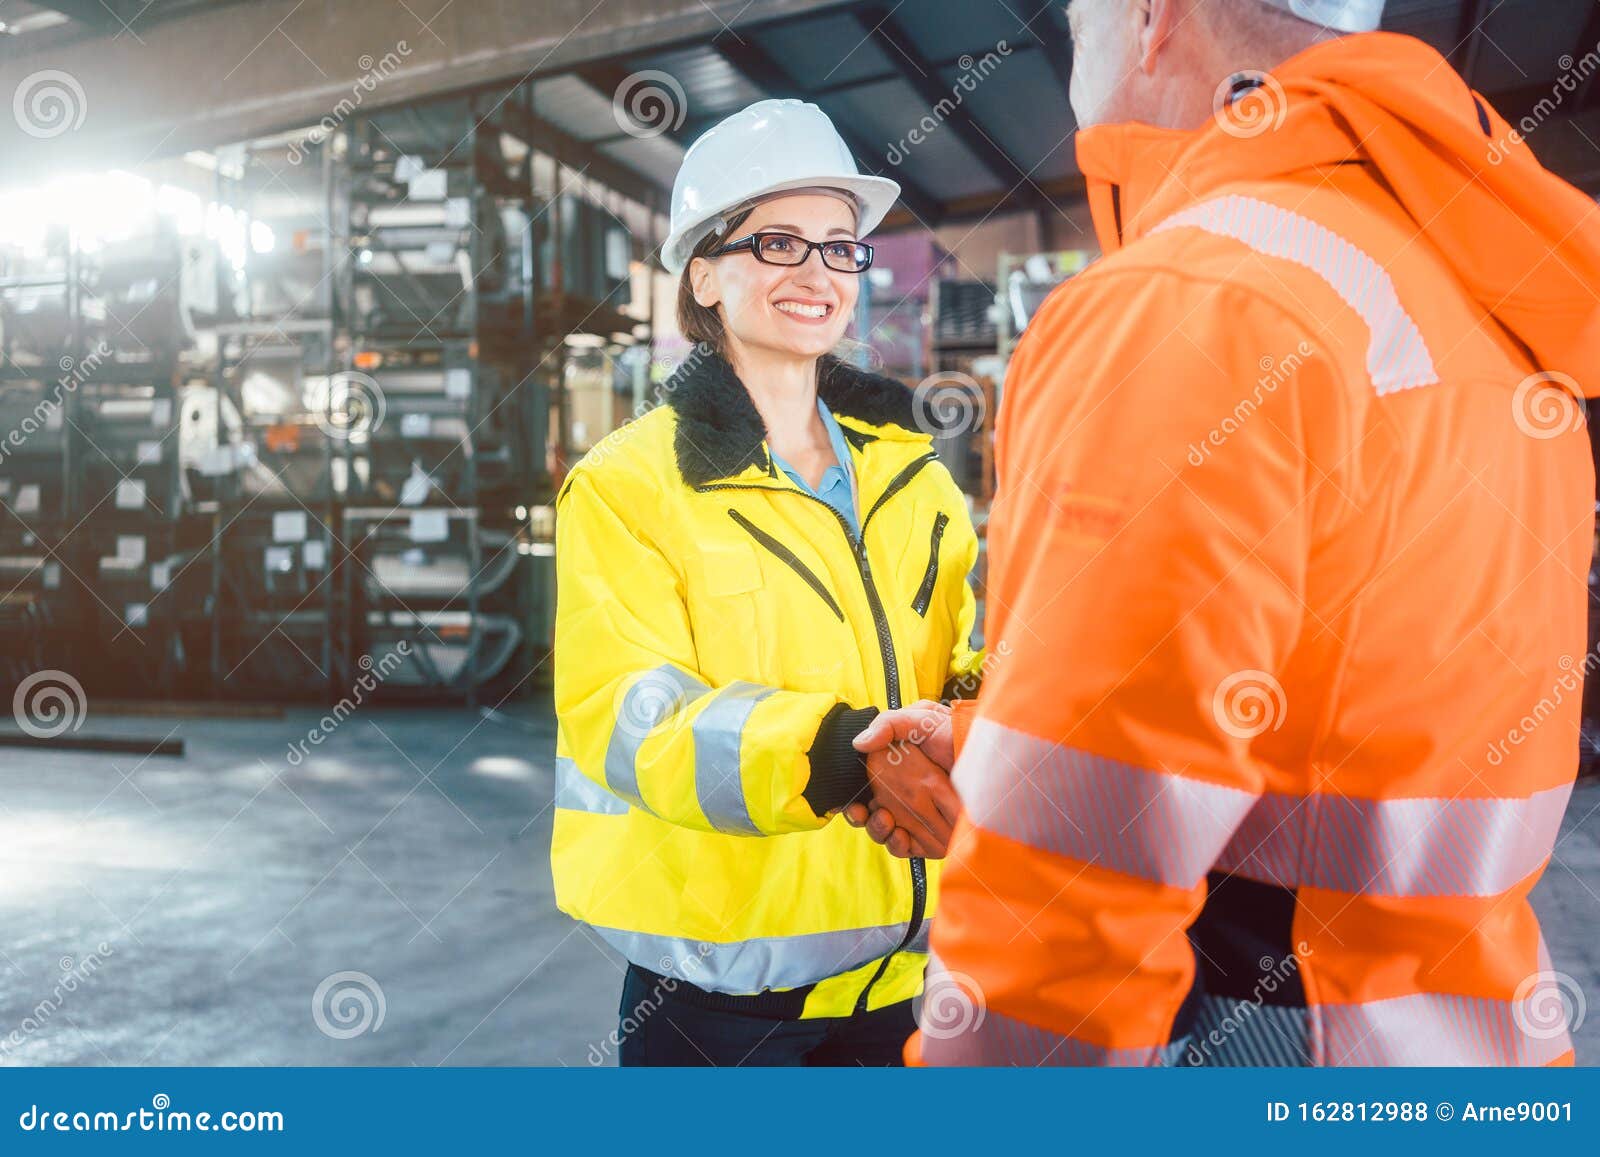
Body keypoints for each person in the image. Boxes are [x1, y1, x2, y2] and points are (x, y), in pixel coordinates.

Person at [856, 0, 1600, 1065]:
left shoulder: (1192, 300)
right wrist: (989, 745)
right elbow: (1343, 729)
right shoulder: (1482, 319)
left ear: (1152, 19)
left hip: (1253, 1040)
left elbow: (1068, 891)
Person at [550, 98, 983, 1066]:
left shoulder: (910, 466)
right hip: (727, 981)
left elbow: (979, 637)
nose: (816, 272)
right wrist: (843, 754)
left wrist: (971, 724)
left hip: (919, 963)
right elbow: (625, 708)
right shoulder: (628, 482)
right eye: (778, 241)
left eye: (839, 247)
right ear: (703, 270)